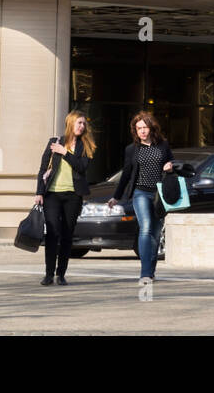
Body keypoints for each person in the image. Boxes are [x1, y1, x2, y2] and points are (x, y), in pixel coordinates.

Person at [108, 111, 173, 285]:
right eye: (138, 128)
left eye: (144, 127)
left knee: (156, 233)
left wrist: (169, 167)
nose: (142, 131)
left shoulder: (163, 146)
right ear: (135, 131)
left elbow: (172, 166)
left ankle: (150, 271)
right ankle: (144, 273)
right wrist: (116, 197)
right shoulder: (131, 150)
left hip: (159, 195)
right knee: (145, 228)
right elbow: (126, 175)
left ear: (151, 128)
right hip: (141, 193)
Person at [34, 111, 94, 286]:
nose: (81, 126)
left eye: (83, 123)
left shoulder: (86, 146)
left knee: (67, 235)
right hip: (52, 194)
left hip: (73, 195)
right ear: (70, 123)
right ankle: (48, 274)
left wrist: (65, 153)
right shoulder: (55, 142)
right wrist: (39, 192)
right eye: (78, 123)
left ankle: (61, 274)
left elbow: (81, 167)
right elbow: (42, 167)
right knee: (52, 233)